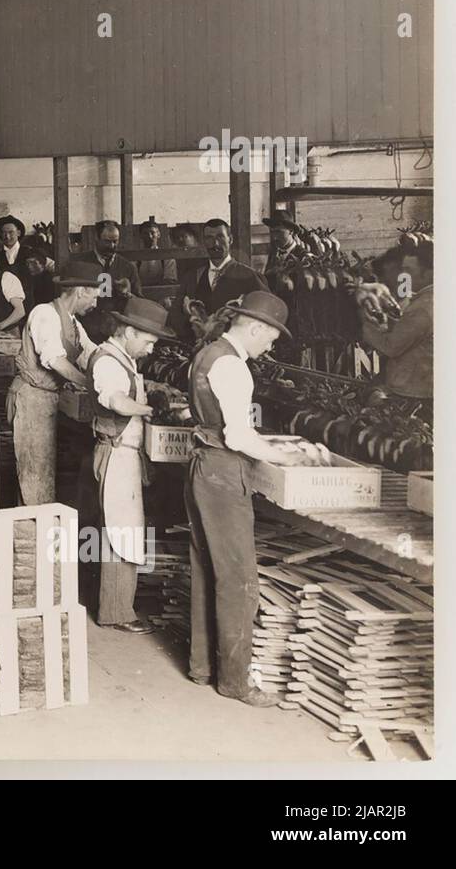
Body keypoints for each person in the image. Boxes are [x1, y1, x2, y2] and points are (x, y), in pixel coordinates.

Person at [184, 291, 306, 707]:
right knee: (238, 579)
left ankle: (201, 667)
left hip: (200, 466)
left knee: (205, 567)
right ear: (255, 327)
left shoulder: (205, 353)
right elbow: (238, 436)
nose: (269, 348)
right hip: (223, 470)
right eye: (270, 338)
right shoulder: (233, 366)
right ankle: (235, 681)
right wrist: (286, 454)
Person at [88, 298, 174, 633]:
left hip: (126, 453)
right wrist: (147, 410)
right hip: (116, 454)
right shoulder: (108, 362)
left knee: (124, 530)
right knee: (120, 532)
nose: (151, 349)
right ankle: (117, 612)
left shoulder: (121, 358)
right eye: (148, 341)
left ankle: (118, 606)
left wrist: (152, 389)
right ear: (128, 331)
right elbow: (115, 400)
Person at [9, 259, 100, 504]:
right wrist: (91, 385)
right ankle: (30, 534)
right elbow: (56, 361)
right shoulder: (44, 314)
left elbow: (91, 353)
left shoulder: (73, 323)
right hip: (31, 400)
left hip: (47, 401)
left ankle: (36, 528)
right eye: (94, 296)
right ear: (81, 291)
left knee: (41, 471)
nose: (96, 303)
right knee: (34, 474)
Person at [357, 240, 433, 399]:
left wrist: (365, 326)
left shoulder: (423, 307)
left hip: (413, 390)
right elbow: (412, 332)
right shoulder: (429, 299)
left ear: (428, 273)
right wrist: (390, 321)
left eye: (409, 270)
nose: (404, 275)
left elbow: (391, 347)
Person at [169, 219, 267, 340]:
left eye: (220, 237)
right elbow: (175, 317)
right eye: (209, 238)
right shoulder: (192, 277)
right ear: (204, 242)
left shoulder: (250, 276)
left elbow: (265, 317)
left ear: (230, 239)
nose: (215, 243)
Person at [74, 220, 143, 342]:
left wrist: (128, 294)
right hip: (88, 330)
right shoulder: (81, 263)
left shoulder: (127, 267)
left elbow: (138, 300)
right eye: (107, 241)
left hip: (117, 332)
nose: (112, 246)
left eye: (115, 241)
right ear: (96, 238)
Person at [260, 210, 303, 275]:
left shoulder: (302, 257)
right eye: (272, 232)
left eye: (279, 232)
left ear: (291, 231)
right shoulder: (273, 253)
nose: (274, 237)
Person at [136, 217, 177, 286]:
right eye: (145, 233)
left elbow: (170, 280)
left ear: (158, 234)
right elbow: (134, 281)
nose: (149, 236)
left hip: (163, 294)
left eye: (152, 233)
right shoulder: (136, 258)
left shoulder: (167, 257)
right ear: (141, 236)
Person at [0, 215, 28, 282]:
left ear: (18, 233)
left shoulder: (29, 251)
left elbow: (48, 264)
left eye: (11, 232)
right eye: (4, 233)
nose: (7, 236)